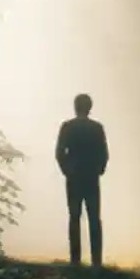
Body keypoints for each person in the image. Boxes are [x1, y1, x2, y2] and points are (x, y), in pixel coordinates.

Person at [55, 93, 108, 267]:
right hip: (91, 177)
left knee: (74, 217)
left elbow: (59, 153)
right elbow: (104, 153)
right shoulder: (97, 128)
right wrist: (99, 170)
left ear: (75, 107)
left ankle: (75, 259)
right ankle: (96, 261)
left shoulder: (68, 127)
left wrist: (67, 171)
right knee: (94, 218)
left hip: (74, 176)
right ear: (89, 107)